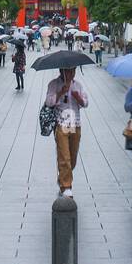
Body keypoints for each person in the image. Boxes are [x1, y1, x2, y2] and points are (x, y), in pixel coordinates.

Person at [45, 67, 88, 197]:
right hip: (61, 123)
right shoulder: (54, 84)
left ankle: (62, 178)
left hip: (75, 124)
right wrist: (59, 93)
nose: (71, 73)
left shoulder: (78, 85)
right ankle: (66, 186)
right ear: (61, 71)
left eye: (73, 71)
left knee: (73, 158)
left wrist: (78, 98)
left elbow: (86, 103)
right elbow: (48, 102)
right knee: (64, 156)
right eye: (68, 71)